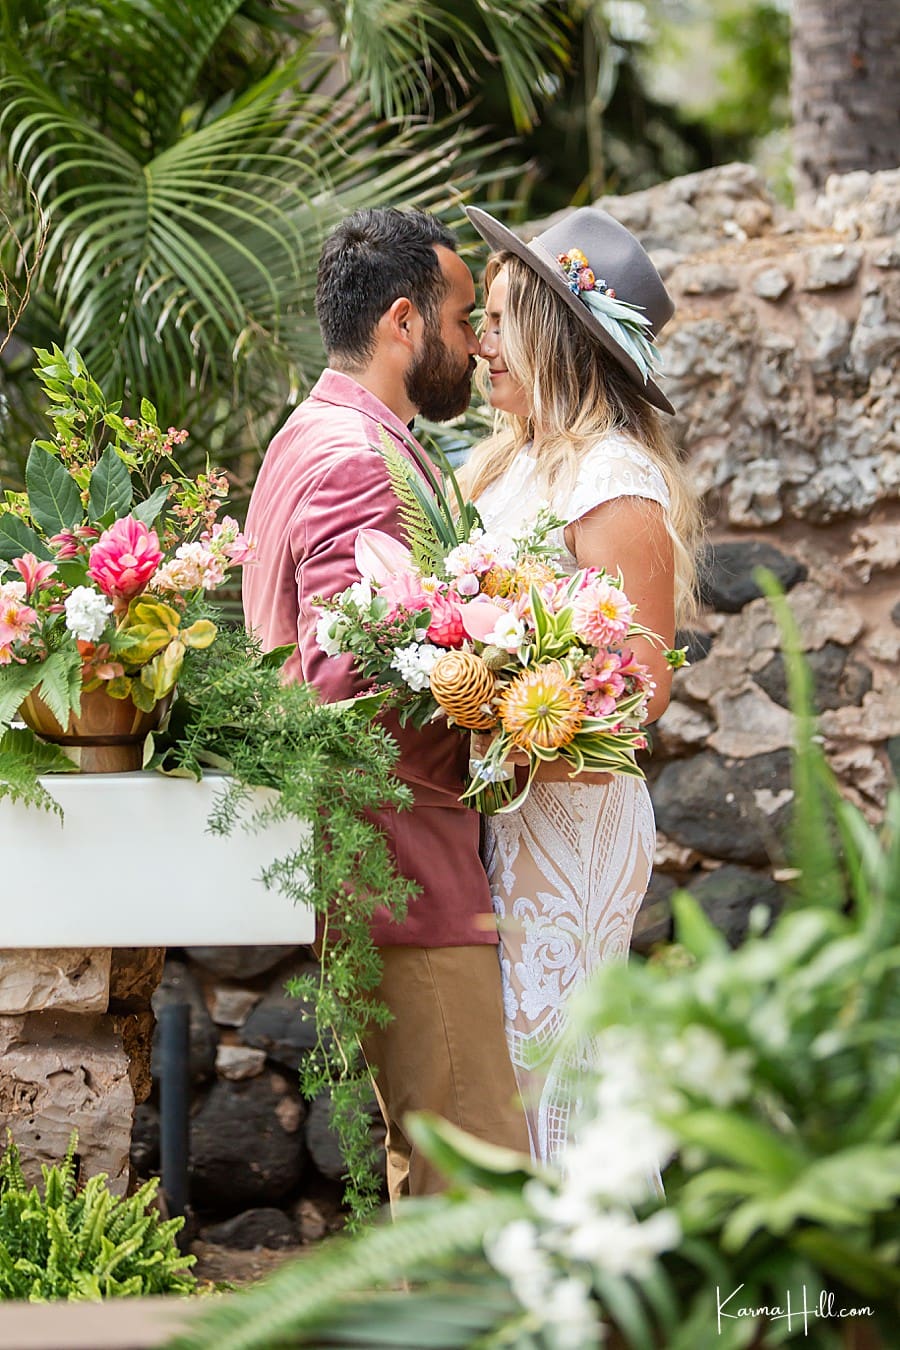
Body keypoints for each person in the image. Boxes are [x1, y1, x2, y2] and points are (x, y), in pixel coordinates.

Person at [242, 207, 530, 1204]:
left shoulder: (321, 433)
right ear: (404, 323)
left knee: (430, 1180)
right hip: (406, 860)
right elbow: (345, 682)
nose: (475, 344)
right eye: (461, 319)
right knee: (476, 1187)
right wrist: (501, 695)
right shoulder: (357, 461)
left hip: (389, 861)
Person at [460, 204, 702, 1166]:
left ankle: (592, 1290)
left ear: (555, 337)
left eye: (500, 321)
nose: (481, 345)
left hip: (573, 820)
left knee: (551, 1065)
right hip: (504, 807)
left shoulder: (611, 479)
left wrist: (520, 698)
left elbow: (642, 684)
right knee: (504, 1068)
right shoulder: (502, 464)